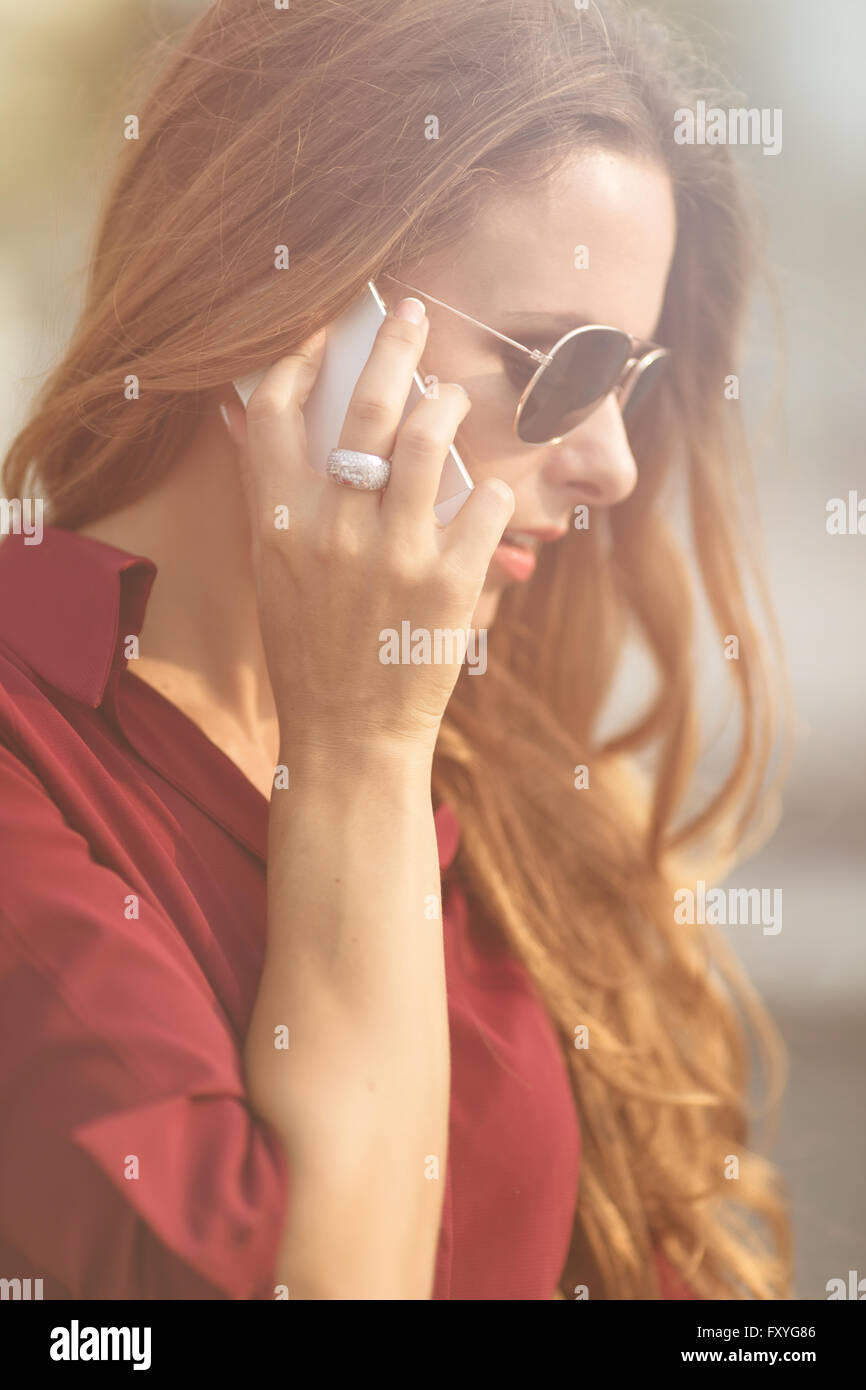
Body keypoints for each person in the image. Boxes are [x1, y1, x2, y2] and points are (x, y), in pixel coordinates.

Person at [0, 0, 792, 1299]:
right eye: (560, 362)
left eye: (632, 377)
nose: (610, 462)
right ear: (289, 306)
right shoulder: (29, 747)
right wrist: (361, 747)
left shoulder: (498, 756)